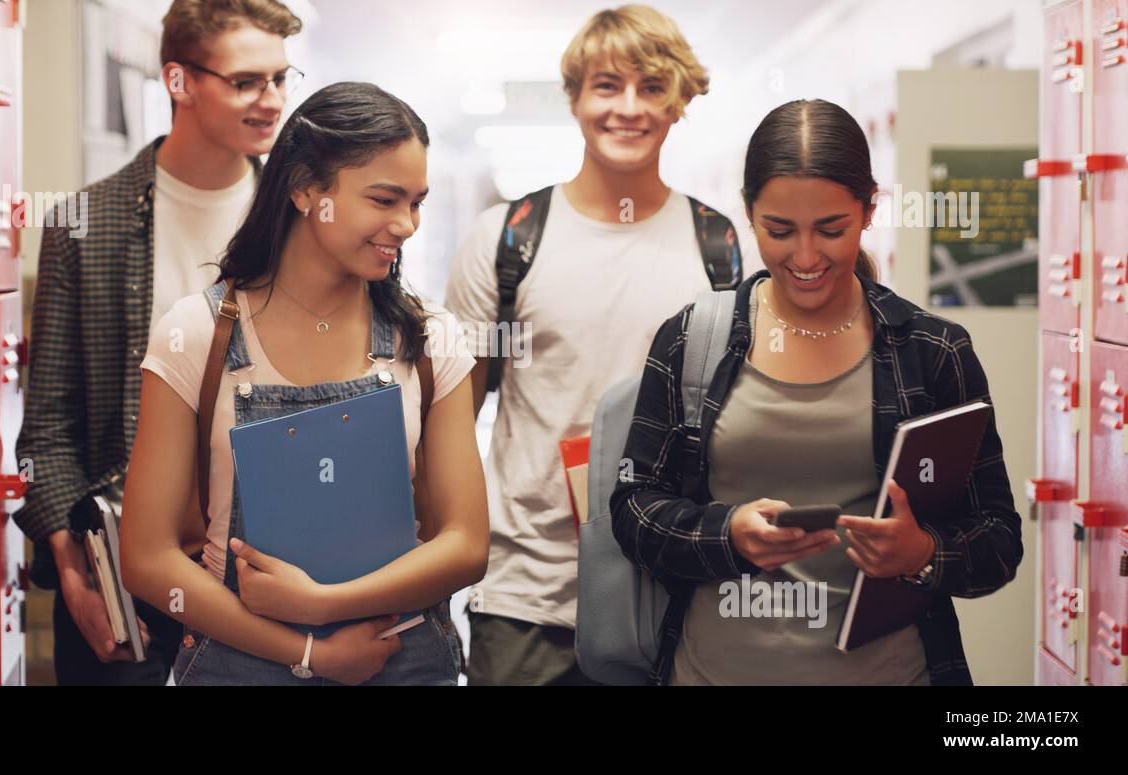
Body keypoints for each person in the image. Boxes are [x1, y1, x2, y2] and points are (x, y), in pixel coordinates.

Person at [610, 98, 1024, 686]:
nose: (805, 258)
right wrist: (725, 534)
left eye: (832, 229)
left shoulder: (932, 352)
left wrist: (924, 554)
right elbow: (631, 509)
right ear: (749, 214)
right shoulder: (691, 340)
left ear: (870, 209)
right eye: (779, 231)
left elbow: (999, 541)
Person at [120, 81, 488, 686]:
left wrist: (322, 606)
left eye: (417, 202)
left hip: (398, 656)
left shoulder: (428, 340)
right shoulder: (196, 334)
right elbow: (146, 557)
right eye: (384, 199)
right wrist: (310, 654)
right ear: (304, 189)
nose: (406, 224)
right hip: (237, 659)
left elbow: (467, 545)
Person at [444, 4, 739, 685]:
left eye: (652, 86)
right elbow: (451, 422)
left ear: (679, 101)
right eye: (607, 85)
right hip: (526, 594)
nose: (628, 108)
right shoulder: (508, 238)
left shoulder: (721, 247)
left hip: (672, 589)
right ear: (574, 98)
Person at [14, 0, 302, 685]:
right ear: (178, 81)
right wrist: (74, 572)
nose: (273, 101)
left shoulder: (298, 221)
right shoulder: (88, 225)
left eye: (282, 79)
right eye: (246, 82)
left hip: (267, 567)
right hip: (126, 580)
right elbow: (48, 433)